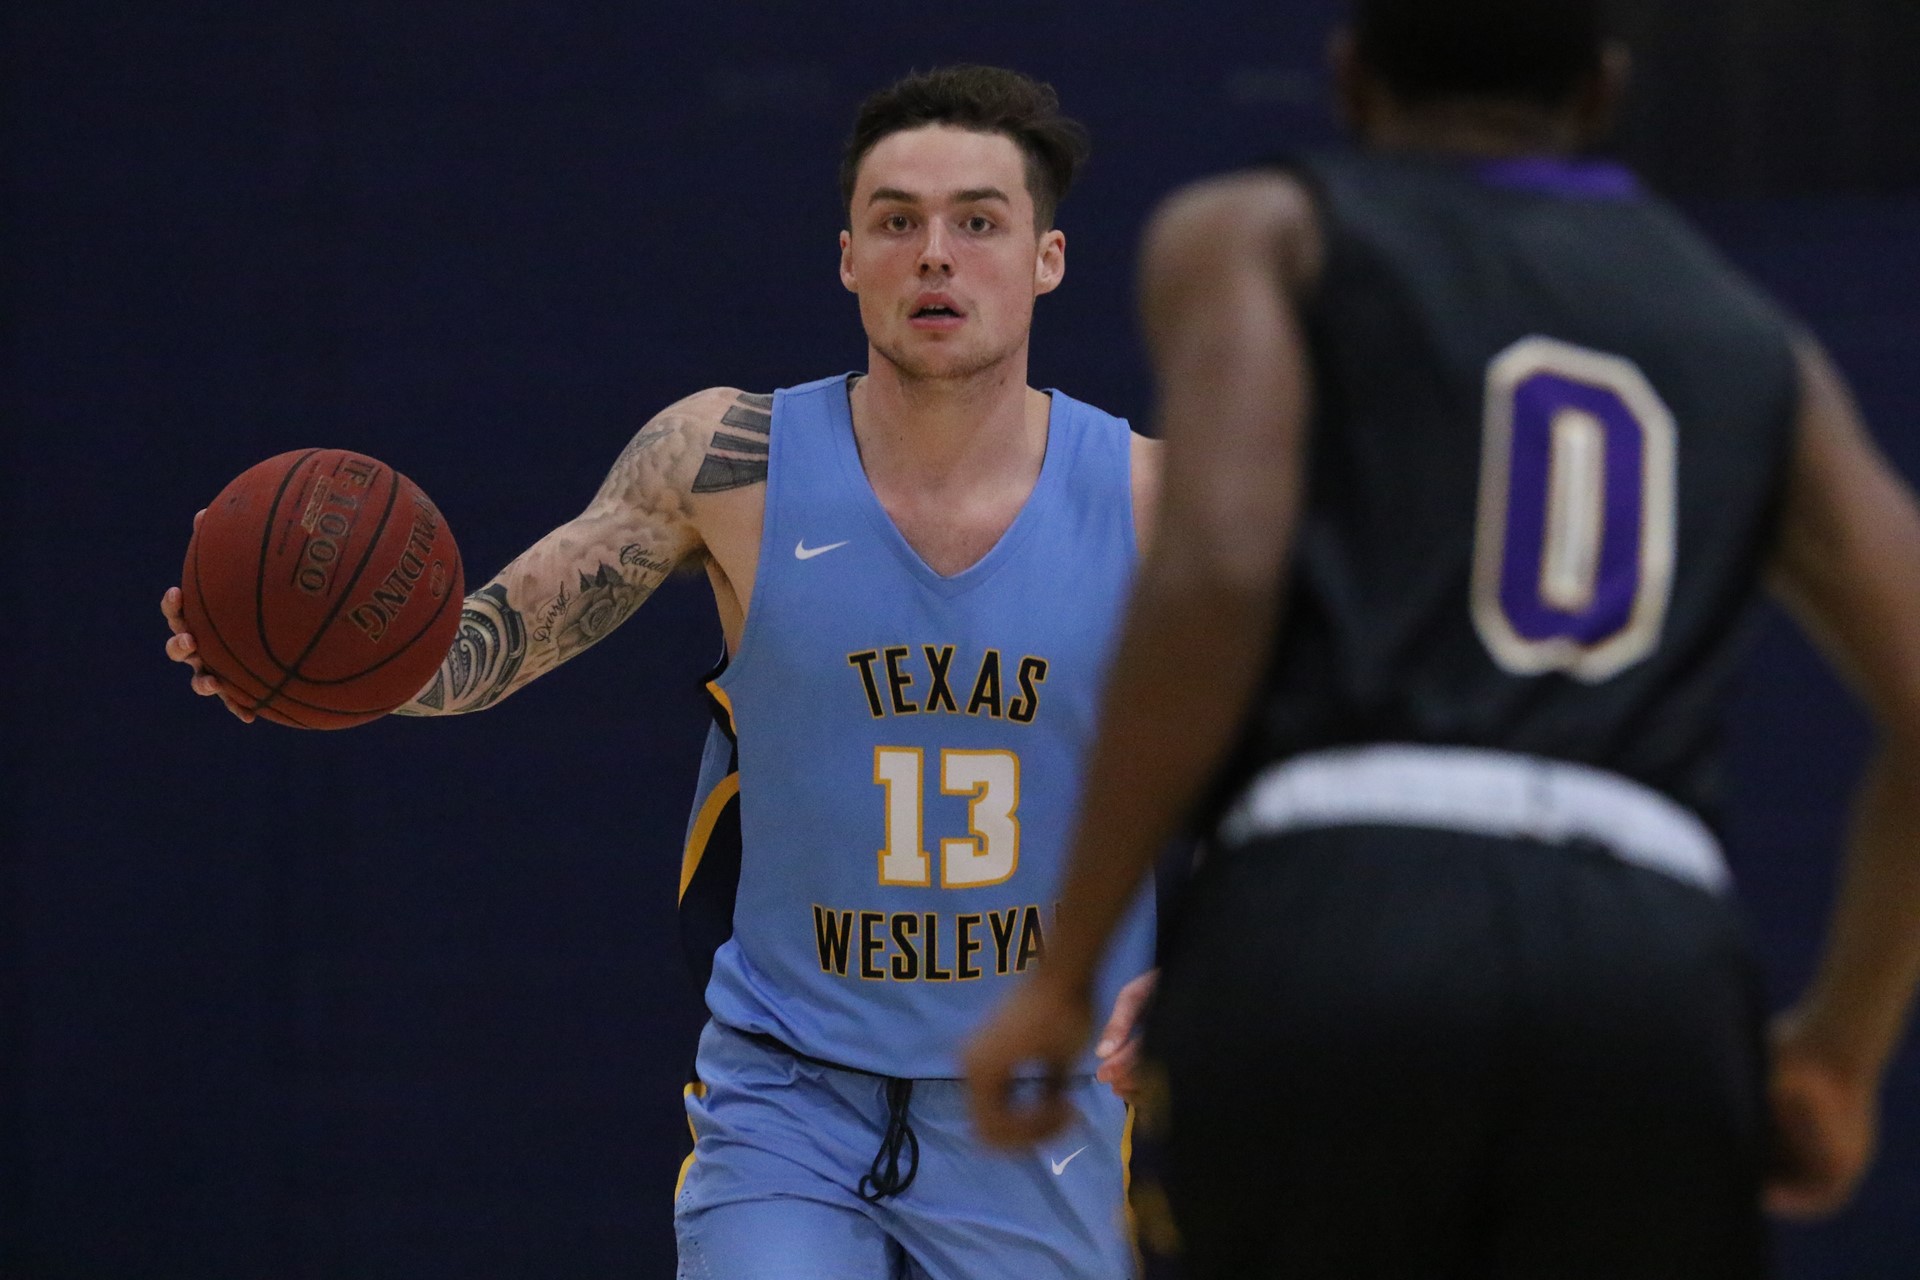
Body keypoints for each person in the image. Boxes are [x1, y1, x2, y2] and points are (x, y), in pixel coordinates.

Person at [965, 2, 1920, 1277]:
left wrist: (1064, 963)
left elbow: (1224, 565)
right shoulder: (1754, 336)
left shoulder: (1263, 231)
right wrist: (1839, 1055)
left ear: (1351, 81)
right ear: (1602, 94)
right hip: (1646, 958)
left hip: (1337, 918)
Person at [164, 66, 1160, 1280]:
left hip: (1034, 1097)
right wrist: (302, 662)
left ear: (1048, 258)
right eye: (897, 220)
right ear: (847, 255)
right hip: (792, 1091)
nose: (935, 255)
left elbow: (1286, 753)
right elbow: (488, 645)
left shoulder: (1152, 500)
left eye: (979, 221)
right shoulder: (723, 462)